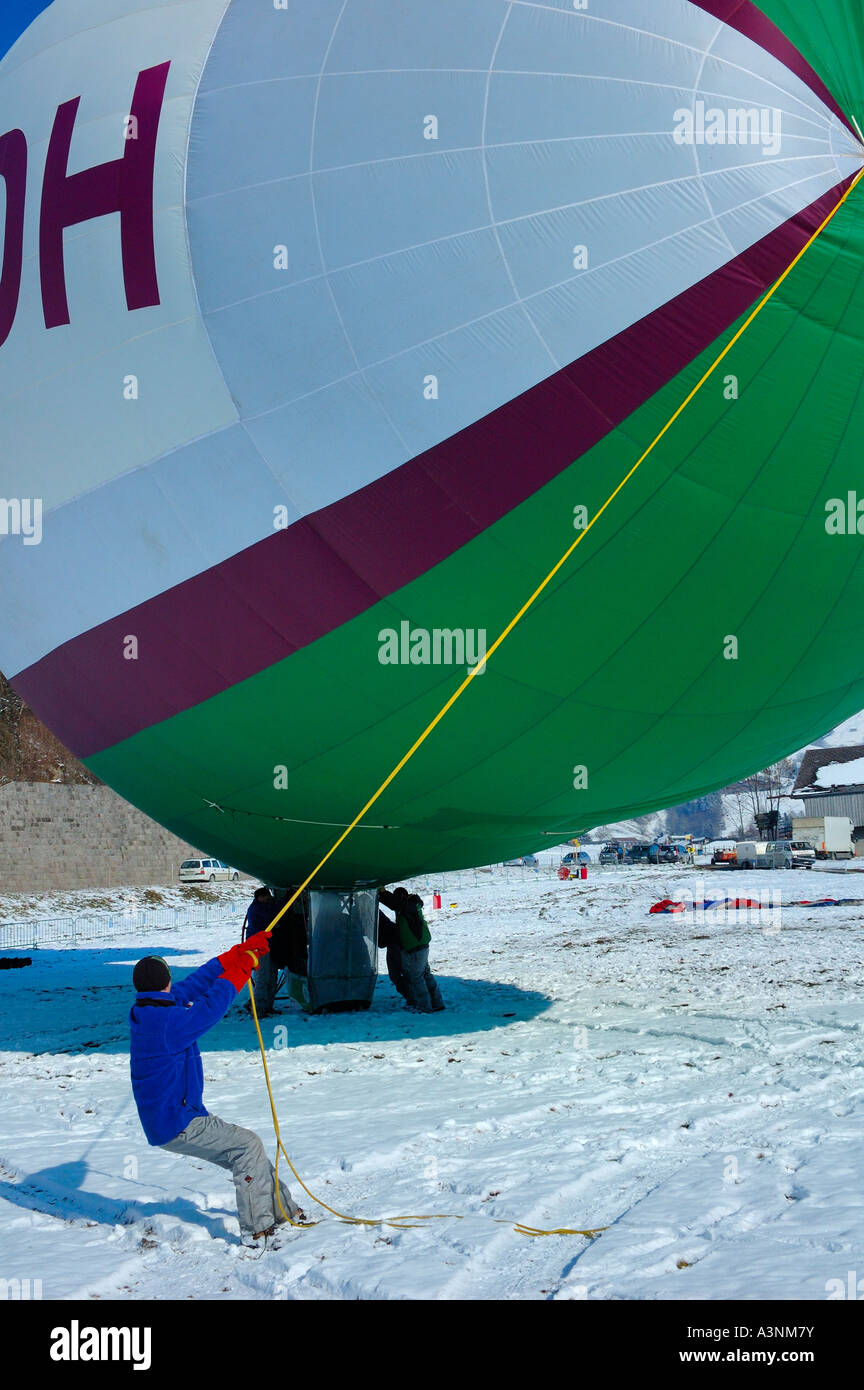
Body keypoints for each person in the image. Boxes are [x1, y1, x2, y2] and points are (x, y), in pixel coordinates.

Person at [129, 938, 305, 1248]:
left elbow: (199, 982)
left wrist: (236, 954)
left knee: (250, 1151)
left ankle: (285, 1212)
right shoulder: (167, 1022)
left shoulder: (153, 1007)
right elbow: (210, 1007)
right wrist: (241, 971)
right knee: (247, 1146)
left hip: (178, 1116)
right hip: (176, 1123)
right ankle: (258, 1231)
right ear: (166, 982)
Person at [381, 887, 444, 1013]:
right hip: (423, 945)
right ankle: (437, 1002)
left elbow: (392, 902)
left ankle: (424, 1005)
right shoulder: (413, 905)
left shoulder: (404, 906)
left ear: (400, 897)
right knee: (426, 975)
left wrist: (382, 892)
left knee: (416, 978)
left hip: (414, 948)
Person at [242, 887, 283, 1017]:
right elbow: (272, 915)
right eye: (266, 897)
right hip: (258, 948)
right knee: (262, 977)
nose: (268, 898)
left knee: (272, 977)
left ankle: (267, 1006)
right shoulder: (257, 910)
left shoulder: (265, 907)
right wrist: (286, 900)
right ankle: (258, 1009)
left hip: (269, 946)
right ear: (259, 898)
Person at [377, 899, 411, 1002]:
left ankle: (413, 998)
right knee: (395, 975)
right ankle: (411, 997)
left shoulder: (369, 912)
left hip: (394, 943)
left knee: (400, 973)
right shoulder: (369, 911)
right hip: (391, 943)